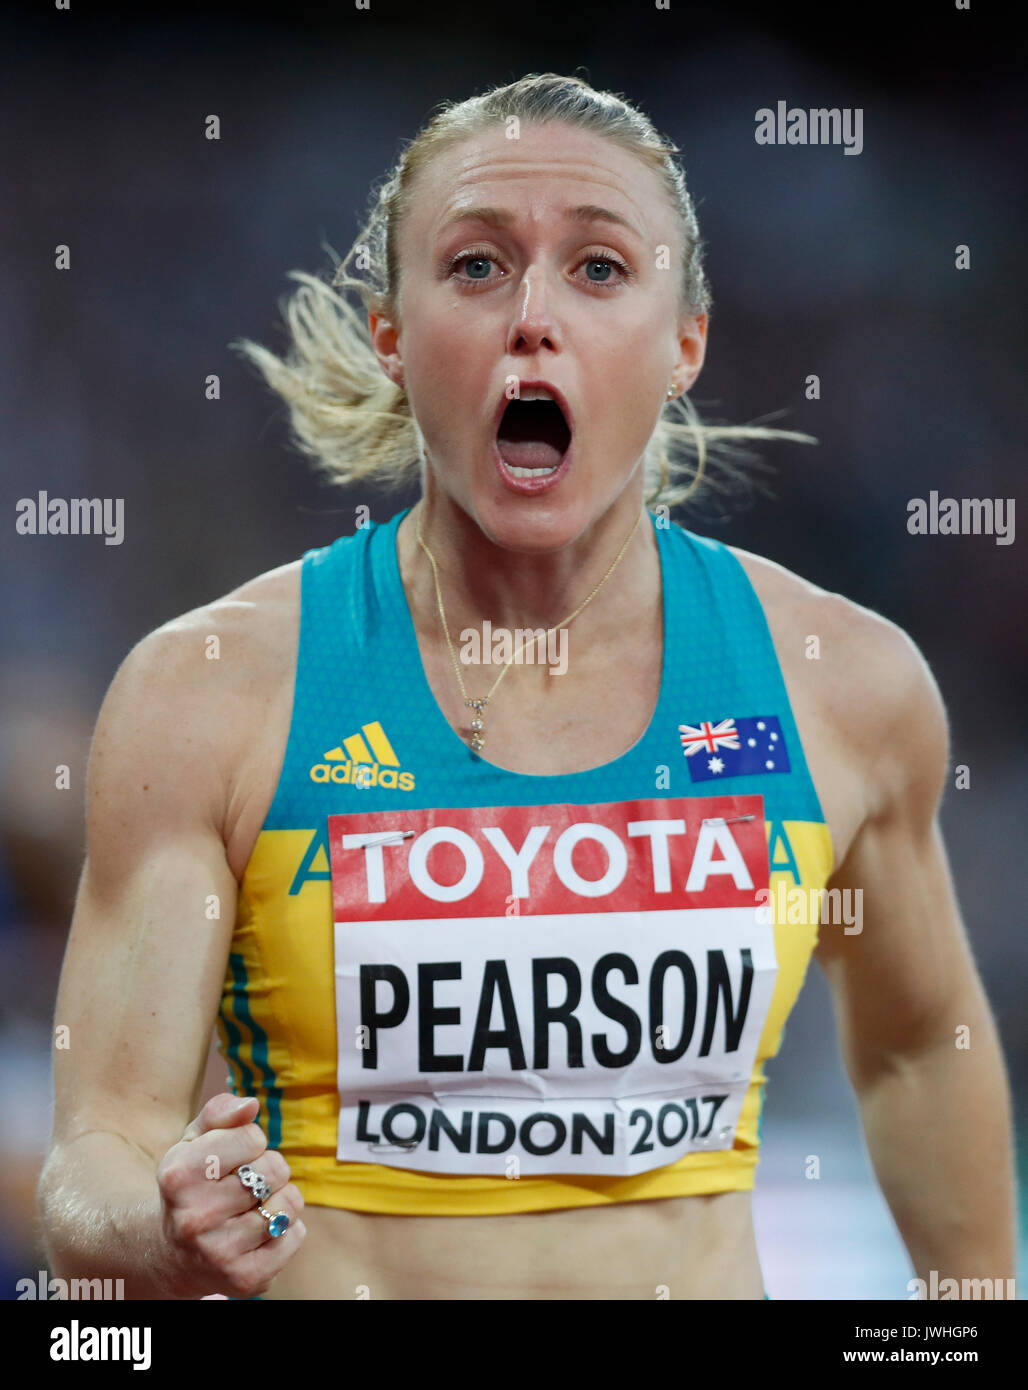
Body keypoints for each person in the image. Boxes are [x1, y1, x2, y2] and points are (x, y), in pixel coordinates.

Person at [37, 73, 1015, 1301]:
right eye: (477, 267)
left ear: (683, 344)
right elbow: (97, 1153)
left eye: (599, 268)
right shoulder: (214, 695)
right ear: (394, 335)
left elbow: (920, 1047)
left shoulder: (842, 685)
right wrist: (162, 1229)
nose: (532, 317)